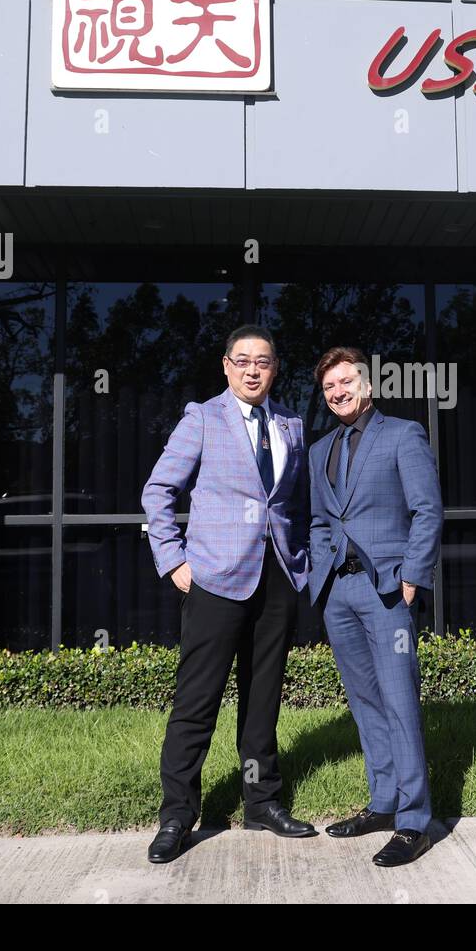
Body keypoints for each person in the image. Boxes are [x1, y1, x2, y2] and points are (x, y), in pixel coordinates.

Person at [142, 324, 314, 864]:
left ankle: (261, 801)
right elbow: (159, 490)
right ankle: (176, 815)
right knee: (197, 703)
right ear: (226, 366)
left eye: (263, 361)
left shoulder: (291, 423)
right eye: (243, 361)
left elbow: (295, 504)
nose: (253, 369)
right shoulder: (202, 418)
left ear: (275, 368)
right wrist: (175, 562)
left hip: (277, 581)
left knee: (262, 701)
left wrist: (301, 564)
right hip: (215, 581)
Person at [309, 346, 443, 866]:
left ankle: (414, 821)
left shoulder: (401, 434)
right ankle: (383, 802)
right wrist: (322, 574)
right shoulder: (321, 449)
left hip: (387, 589)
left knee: (400, 701)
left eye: (346, 382)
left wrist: (412, 577)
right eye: (329, 387)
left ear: (368, 383)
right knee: (365, 702)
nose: (338, 392)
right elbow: (321, 520)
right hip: (337, 593)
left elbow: (427, 508)